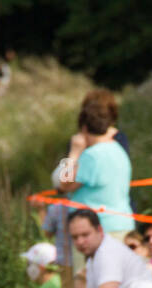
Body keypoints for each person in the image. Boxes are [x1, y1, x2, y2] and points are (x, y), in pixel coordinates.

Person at [56, 94, 134, 241]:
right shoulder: (118, 149)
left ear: (84, 128)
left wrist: (74, 152)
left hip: (96, 231)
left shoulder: (91, 156)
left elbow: (64, 183)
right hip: (122, 223)